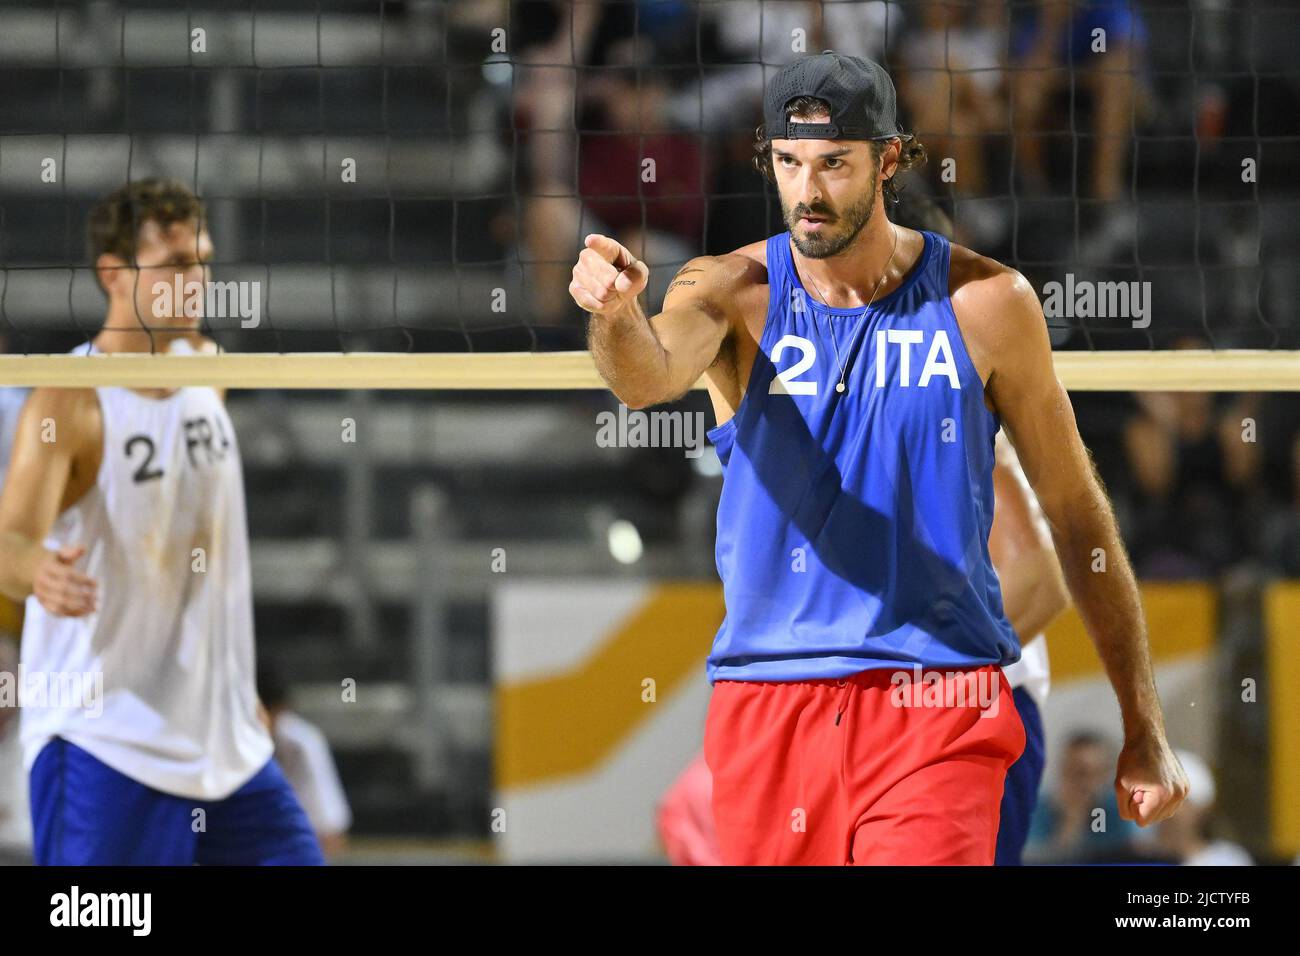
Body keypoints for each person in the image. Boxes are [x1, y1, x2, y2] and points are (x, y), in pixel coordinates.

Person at [574, 52, 1186, 865]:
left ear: (890, 160)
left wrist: (1144, 727)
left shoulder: (987, 303)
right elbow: (644, 381)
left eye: (834, 164)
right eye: (789, 164)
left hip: (939, 694)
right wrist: (615, 314)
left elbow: (1076, 514)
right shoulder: (727, 290)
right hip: (770, 698)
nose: (809, 191)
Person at [657, 195, 1070, 867]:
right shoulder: (820, 372)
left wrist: (908, 676)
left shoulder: (946, 377)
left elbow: (1042, 581)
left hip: (967, 708)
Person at [0, 178, 322, 865]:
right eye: (177, 265)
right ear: (114, 274)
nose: (198, 279)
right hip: (105, 741)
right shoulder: (69, 398)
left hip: (226, 749)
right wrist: (38, 573)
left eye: (203, 261)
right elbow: (9, 540)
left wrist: (232, 695)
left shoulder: (206, 367)